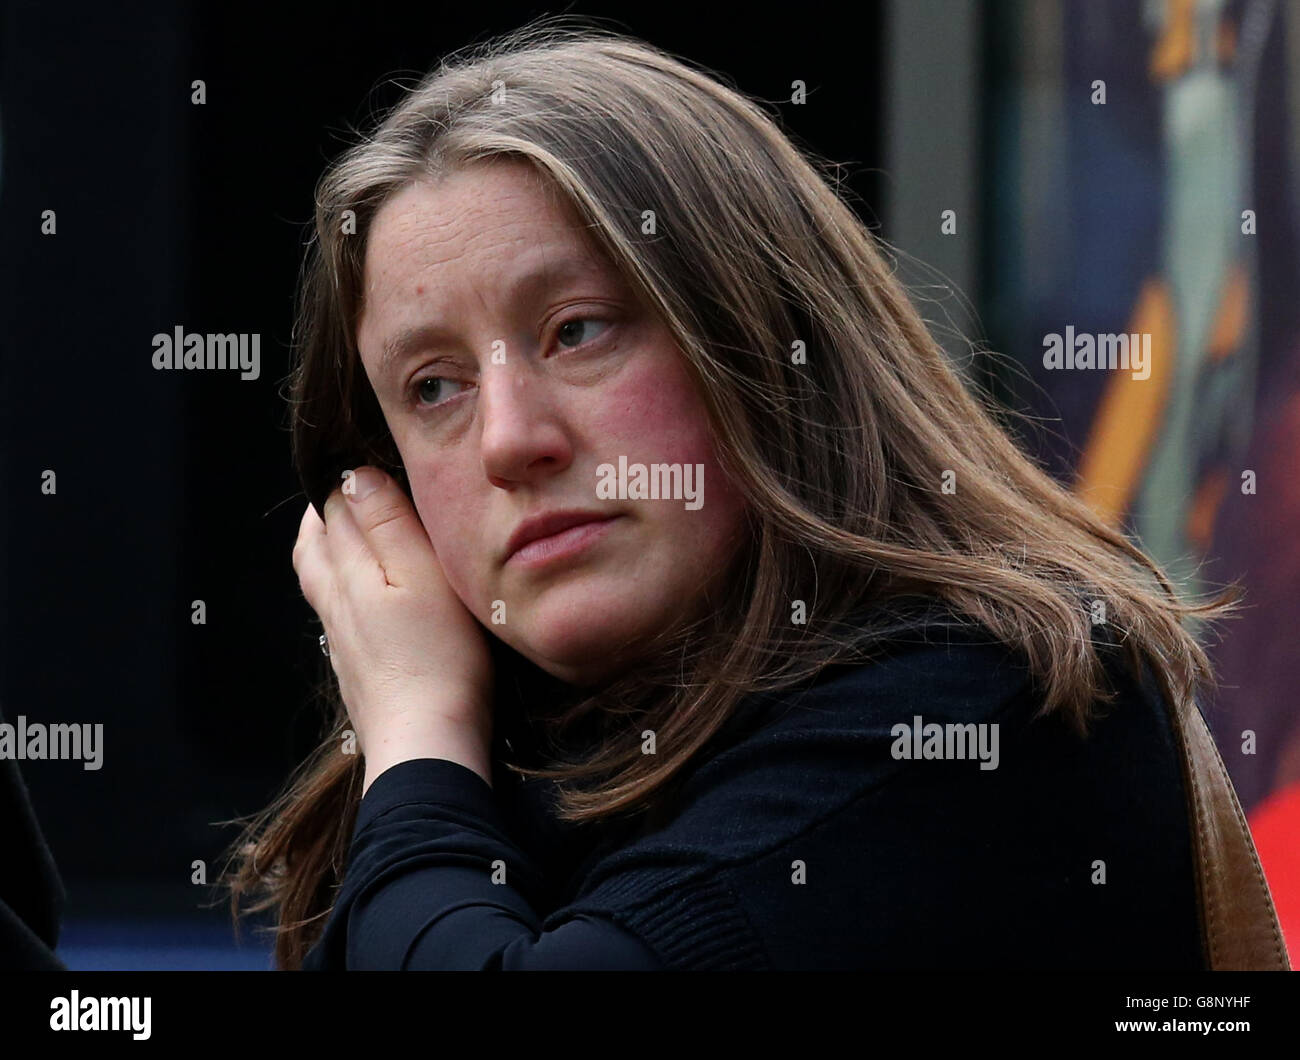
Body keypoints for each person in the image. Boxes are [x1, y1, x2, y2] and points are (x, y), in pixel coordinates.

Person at [221, 19, 1249, 970]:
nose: (509, 440)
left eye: (576, 329)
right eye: (433, 387)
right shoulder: (507, 768)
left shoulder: (970, 696)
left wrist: (413, 733)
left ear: (770, 345)